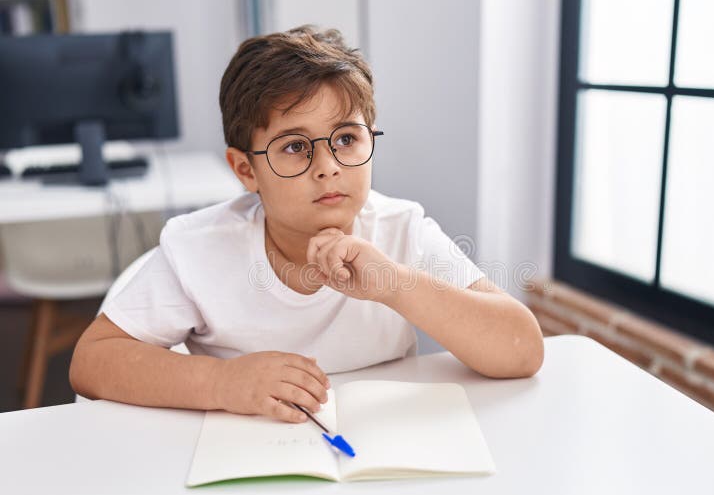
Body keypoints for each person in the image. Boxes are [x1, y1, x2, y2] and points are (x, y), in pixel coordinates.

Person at [70, 25, 544, 424]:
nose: (328, 167)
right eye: (295, 146)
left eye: (346, 139)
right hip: (249, 454)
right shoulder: (201, 249)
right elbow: (92, 362)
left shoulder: (403, 231)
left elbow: (522, 349)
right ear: (245, 171)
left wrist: (394, 283)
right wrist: (223, 382)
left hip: (380, 450)